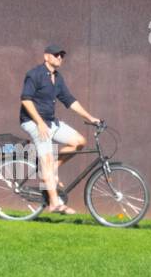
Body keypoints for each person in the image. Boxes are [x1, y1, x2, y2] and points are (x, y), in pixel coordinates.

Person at [19, 45, 101, 214]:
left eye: (61, 55)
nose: (59, 58)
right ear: (46, 56)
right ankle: (54, 203)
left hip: (50, 122)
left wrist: (90, 117)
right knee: (46, 161)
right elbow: (26, 100)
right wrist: (40, 123)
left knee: (79, 142)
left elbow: (69, 100)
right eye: (56, 55)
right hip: (34, 122)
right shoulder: (34, 74)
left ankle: (52, 168)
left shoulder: (57, 77)